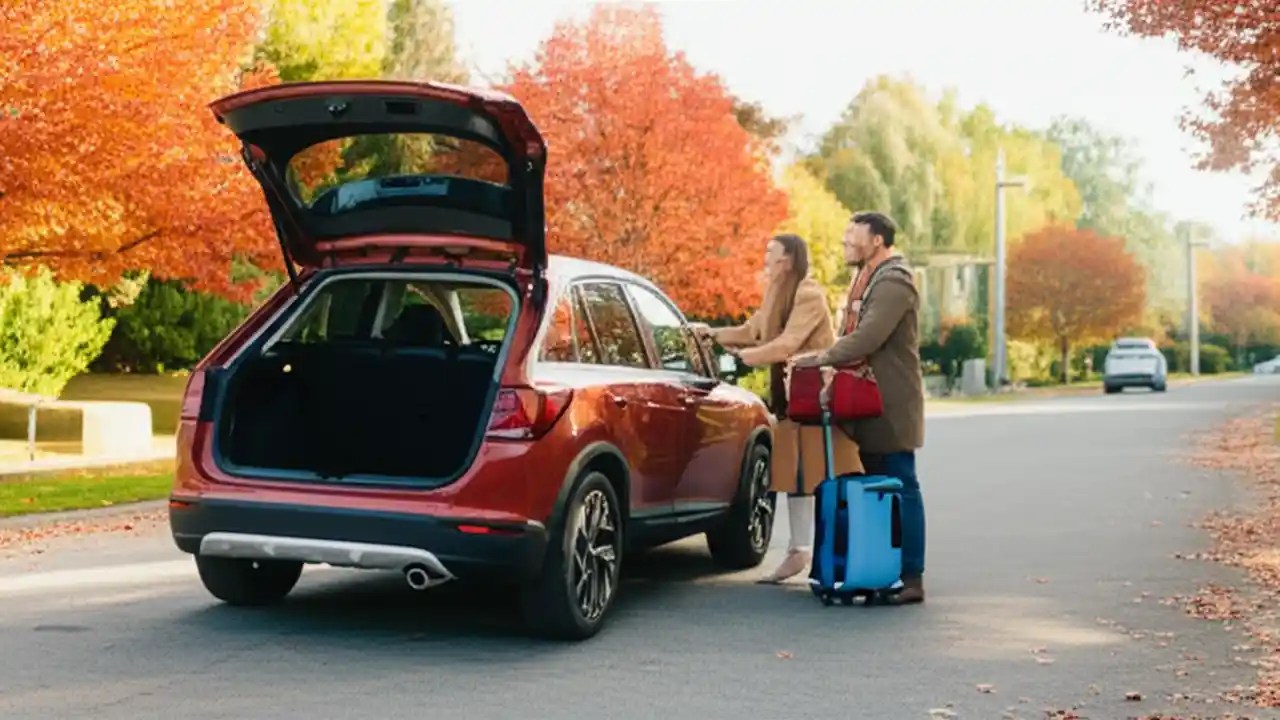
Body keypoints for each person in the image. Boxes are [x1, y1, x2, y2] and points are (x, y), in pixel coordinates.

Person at [704, 234, 863, 584]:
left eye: (770, 252)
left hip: (815, 398)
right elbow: (753, 330)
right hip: (791, 397)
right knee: (796, 475)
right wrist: (710, 334)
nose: (765, 258)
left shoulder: (807, 293)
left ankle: (823, 553)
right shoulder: (776, 291)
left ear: (788, 259)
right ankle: (799, 551)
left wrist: (743, 358)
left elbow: (787, 344)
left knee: (822, 474)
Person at [794, 211, 926, 605]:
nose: (846, 242)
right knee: (881, 485)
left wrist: (819, 358)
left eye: (854, 236)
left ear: (879, 241)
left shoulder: (894, 281)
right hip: (869, 400)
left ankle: (913, 577)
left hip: (891, 401)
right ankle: (882, 568)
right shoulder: (867, 279)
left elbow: (868, 337)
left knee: (901, 485)